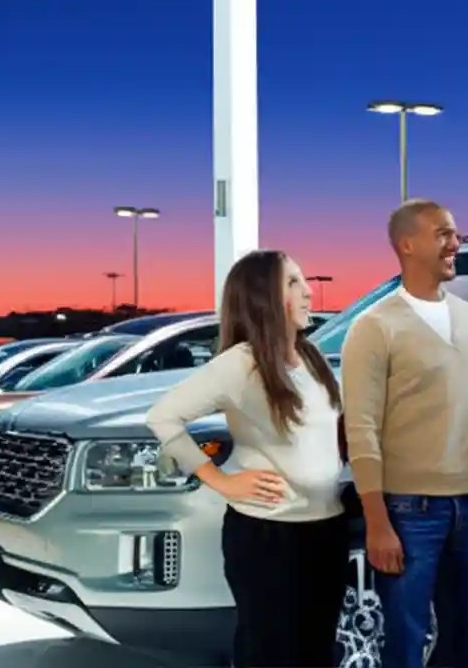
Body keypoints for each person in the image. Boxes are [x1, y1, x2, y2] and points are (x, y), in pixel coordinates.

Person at [145, 249, 349, 668]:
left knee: (317, 651)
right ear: (262, 297)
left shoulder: (311, 357)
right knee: (269, 653)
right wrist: (219, 479)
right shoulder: (240, 364)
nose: (309, 291)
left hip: (326, 529)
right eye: (293, 282)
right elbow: (163, 417)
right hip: (268, 536)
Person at [341, 199, 468, 668]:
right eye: (443, 234)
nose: (456, 244)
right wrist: (376, 521)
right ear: (407, 245)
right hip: (408, 512)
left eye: (455, 234)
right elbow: (361, 429)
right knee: (406, 642)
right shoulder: (374, 328)